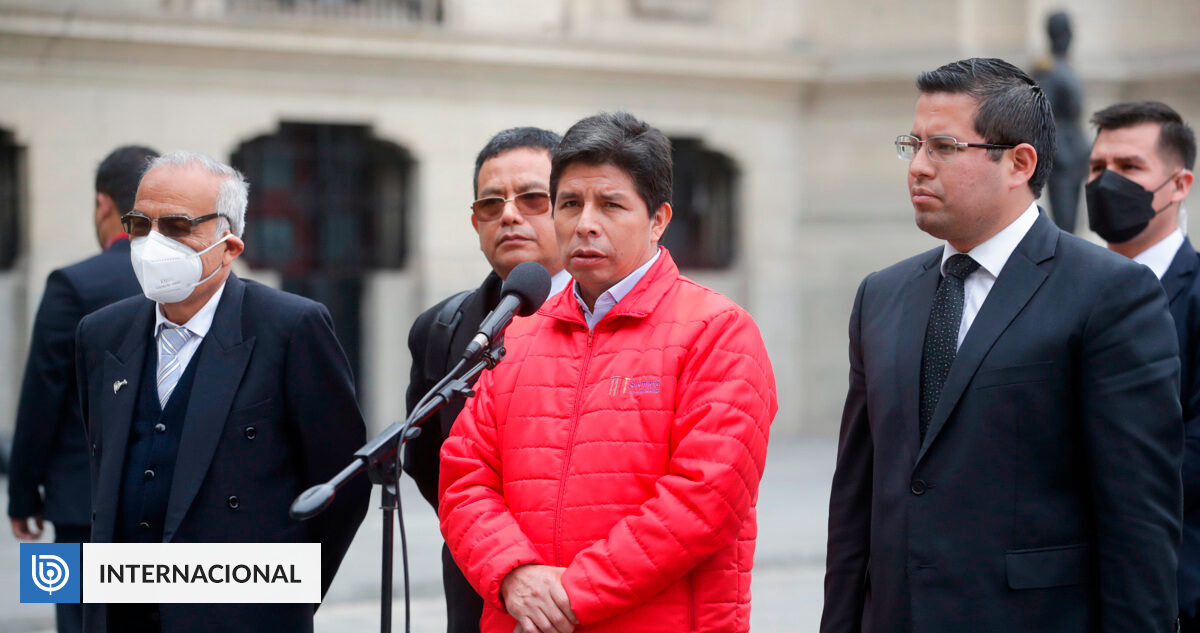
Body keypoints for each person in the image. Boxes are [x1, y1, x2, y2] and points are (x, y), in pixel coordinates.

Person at [822, 58, 1183, 633]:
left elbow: (1138, 522)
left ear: (1019, 163)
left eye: (942, 146)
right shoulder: (881, 296)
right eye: (912, 144)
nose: (917, 167)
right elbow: (855, 505)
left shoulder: (1109, 293)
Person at [439, 112, 778, 633]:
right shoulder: (519, 335)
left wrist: (568, 597)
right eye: (570, 204)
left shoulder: (718, 332)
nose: (585, 223)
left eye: (611, 204)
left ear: (659, 219)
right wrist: (513, 574)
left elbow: (702, 500)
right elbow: (464, 477)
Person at [75, 151, 370, 633]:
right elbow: (103, 459)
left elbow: (341, 483)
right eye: (139, 224)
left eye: (175, 226)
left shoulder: (291, 327)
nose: (152, 243)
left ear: (229, 246)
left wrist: (285, 599)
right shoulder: (100, 333)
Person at [404, 126, 569, 633]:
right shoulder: (442, 326)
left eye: (533, 198)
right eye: (491, 204)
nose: (510, 215)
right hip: (479, 591)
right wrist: (496, 553)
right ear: (475, 223)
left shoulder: (612, 318)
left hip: (581, 594)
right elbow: (428, 461)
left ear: (570, 208)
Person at [8, 144, 158, 633]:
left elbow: (42, 396)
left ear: (103, 204)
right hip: (167, 502)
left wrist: (23, 495)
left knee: (78, 622)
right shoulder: (196, 284)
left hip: (79, 504)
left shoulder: (73, 284)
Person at [1086, 100, 1197, 630]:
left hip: (1180, 585)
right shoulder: (1063, 291)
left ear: (1179, 185)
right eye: (1097, 168)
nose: (1107, 183)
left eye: (1129, 168)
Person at [1031, 11, 1089, 232]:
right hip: (1061, 151)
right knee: (1064, 221)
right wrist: (1056, 152)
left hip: (1076, 149)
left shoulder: (1067, 67)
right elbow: (1043, 114)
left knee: (1074, 223)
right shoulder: (1047, 69)